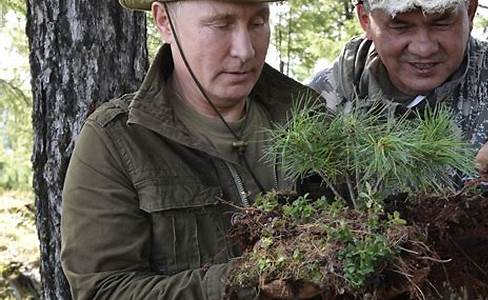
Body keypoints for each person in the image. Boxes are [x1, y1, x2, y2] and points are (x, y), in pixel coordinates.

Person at [60, 0, 318, 299]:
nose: (245, 50)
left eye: (258, 23)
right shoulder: (118, 141)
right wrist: (242, 281)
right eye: (221, 24)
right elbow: (104, 290)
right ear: (165, 22)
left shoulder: (309, 118)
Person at [309, 0, 488, 189]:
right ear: (365, 20)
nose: (423, 48)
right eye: (400, 25)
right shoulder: (321, 98)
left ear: (470, 12)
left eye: (441, 23)